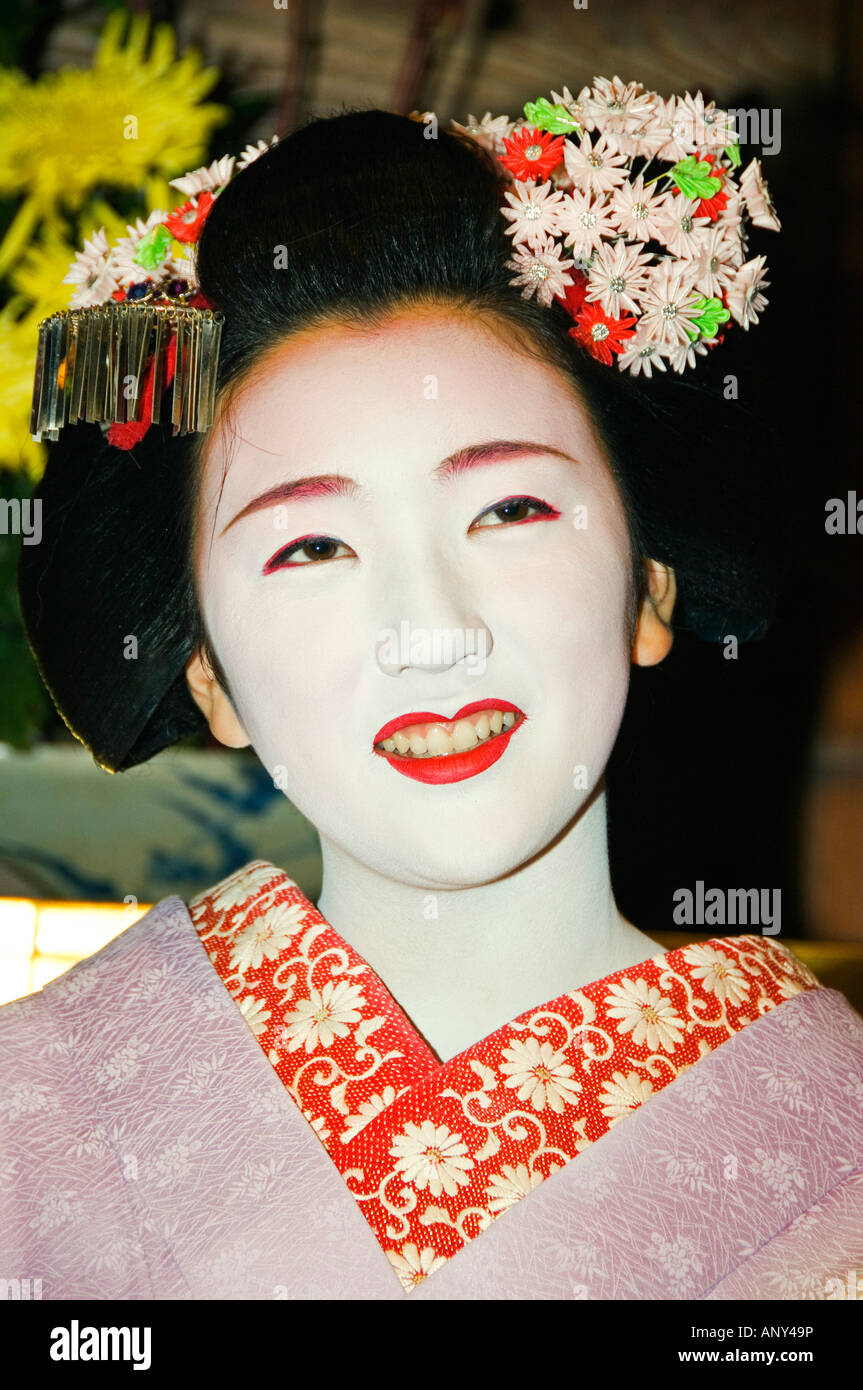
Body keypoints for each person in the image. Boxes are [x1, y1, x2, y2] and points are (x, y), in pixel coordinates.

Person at [4, 95, 863, 1301]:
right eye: (312, 547)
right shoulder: (43, 1111)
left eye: (508, 509)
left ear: (647, 585)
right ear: (207, 673)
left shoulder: (834, 1137)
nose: (431, 633)